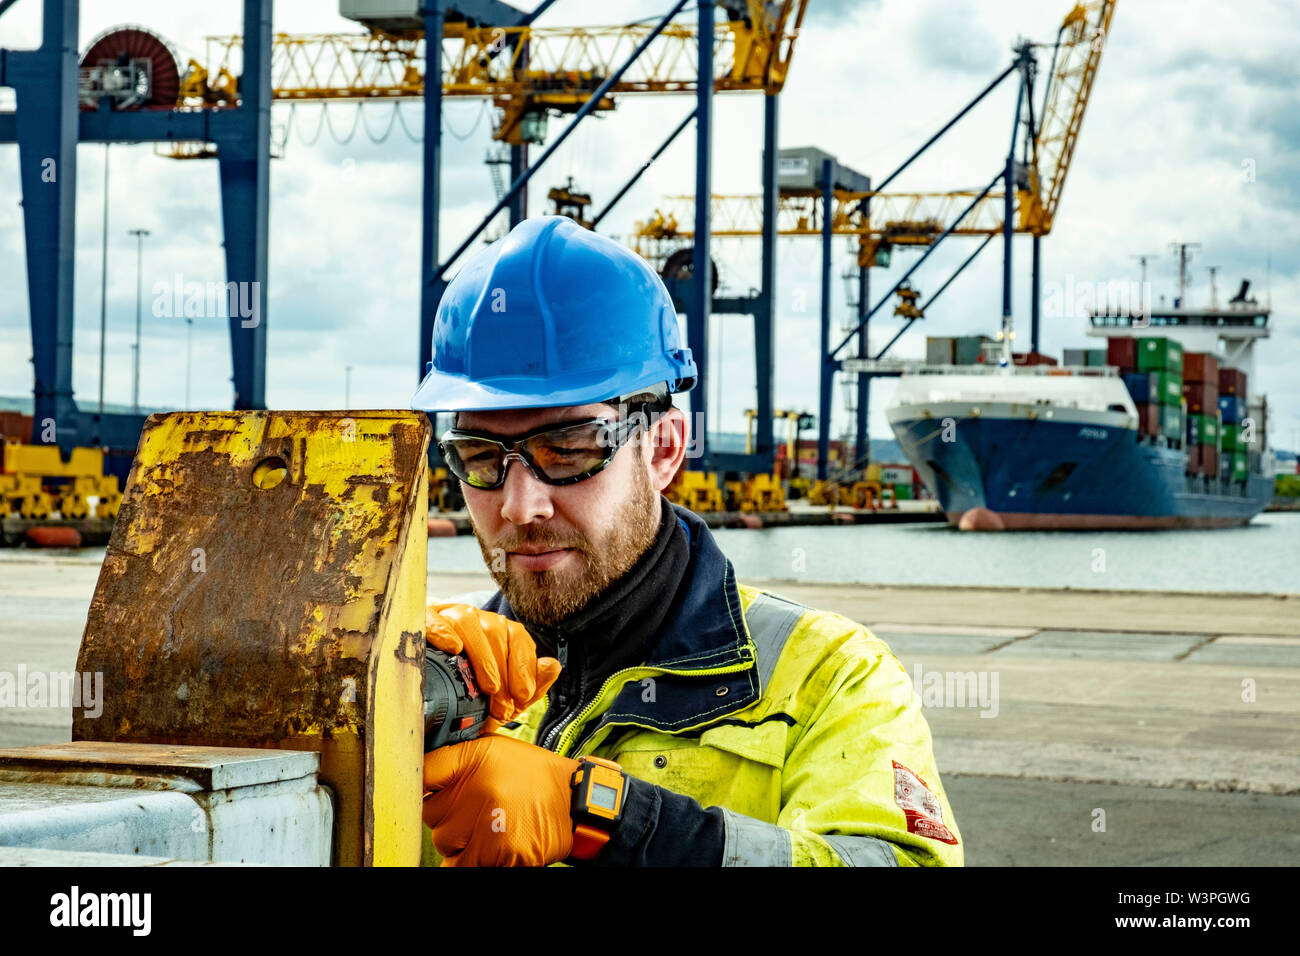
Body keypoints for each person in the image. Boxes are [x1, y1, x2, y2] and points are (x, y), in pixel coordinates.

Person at [416, 215, 962, 867]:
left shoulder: (829, 676)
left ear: (666, 447)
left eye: (567, 450)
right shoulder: (433, 668)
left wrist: (612, 820)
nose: (518, 505)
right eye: (480, 456)